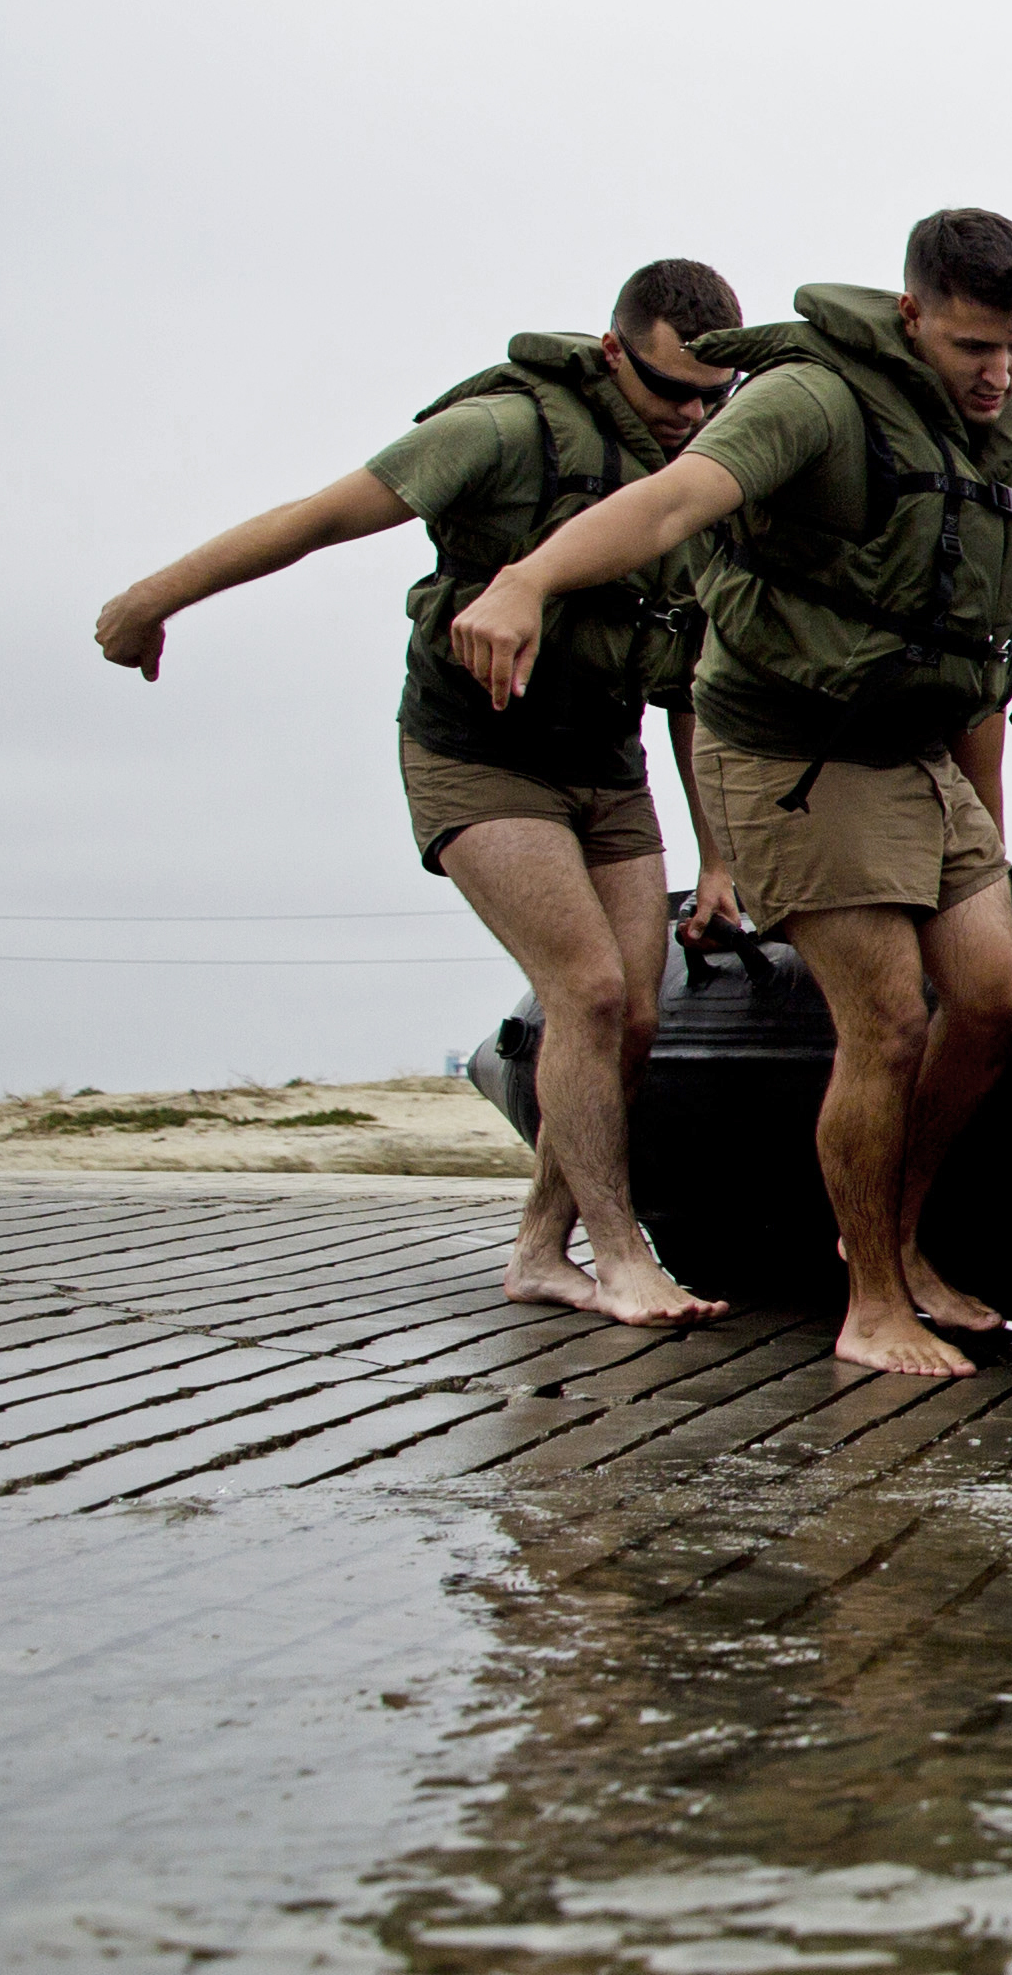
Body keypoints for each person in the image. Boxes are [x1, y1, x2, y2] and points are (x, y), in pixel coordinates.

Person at [450, 209, 1012, 1380]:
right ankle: (870, 1300)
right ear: (911, 313)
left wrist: (988, 826)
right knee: (885, 1021)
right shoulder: (814, 403)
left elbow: (983, 654)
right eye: (976, 346)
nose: (1001, 373)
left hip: (919, 757)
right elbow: (672, 505)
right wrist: (525, 579)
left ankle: (891, 1230)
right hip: (795, 753)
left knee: (993, 996)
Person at [87, 261, 753, 1328]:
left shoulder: (700, 476)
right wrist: (150, 598)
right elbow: (320, 517)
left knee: (633, 1013)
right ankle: (623, 1255)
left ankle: (542, 1250)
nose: (688, 416)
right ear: (613, 351)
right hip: (476, 753)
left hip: (606, 766)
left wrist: (718, 851)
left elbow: (692, 686)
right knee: (580, 990)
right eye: (668, 390)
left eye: (708, 397)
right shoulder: (501, 429)